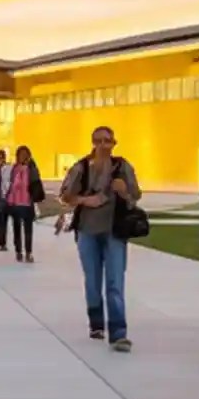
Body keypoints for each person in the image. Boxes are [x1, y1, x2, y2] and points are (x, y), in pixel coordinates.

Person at [60, 126, 142, 352]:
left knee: (115, 281)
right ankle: (96, 322)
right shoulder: (81, 167)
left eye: (107, 141)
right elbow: (65, 196)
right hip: (87, 230)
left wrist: (124, 191)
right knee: (93, 280)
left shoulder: (122, 167)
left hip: (114, 231)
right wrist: (85, 200)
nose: (103, 145)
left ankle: (118, 333)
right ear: (93, 143)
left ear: (114, 143)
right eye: (99, 141)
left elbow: (136, 195)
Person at [7, 145, 42, 263]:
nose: (22, 157)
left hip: (27, 202)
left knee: (28, 229)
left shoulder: (32, 169)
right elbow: (12, 184)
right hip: (16, 202)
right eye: (20, 155)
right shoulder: (15, 168)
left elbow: (35, 183)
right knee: (16, 228)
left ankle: (28, 252)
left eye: (25, 155)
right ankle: (18, 251)